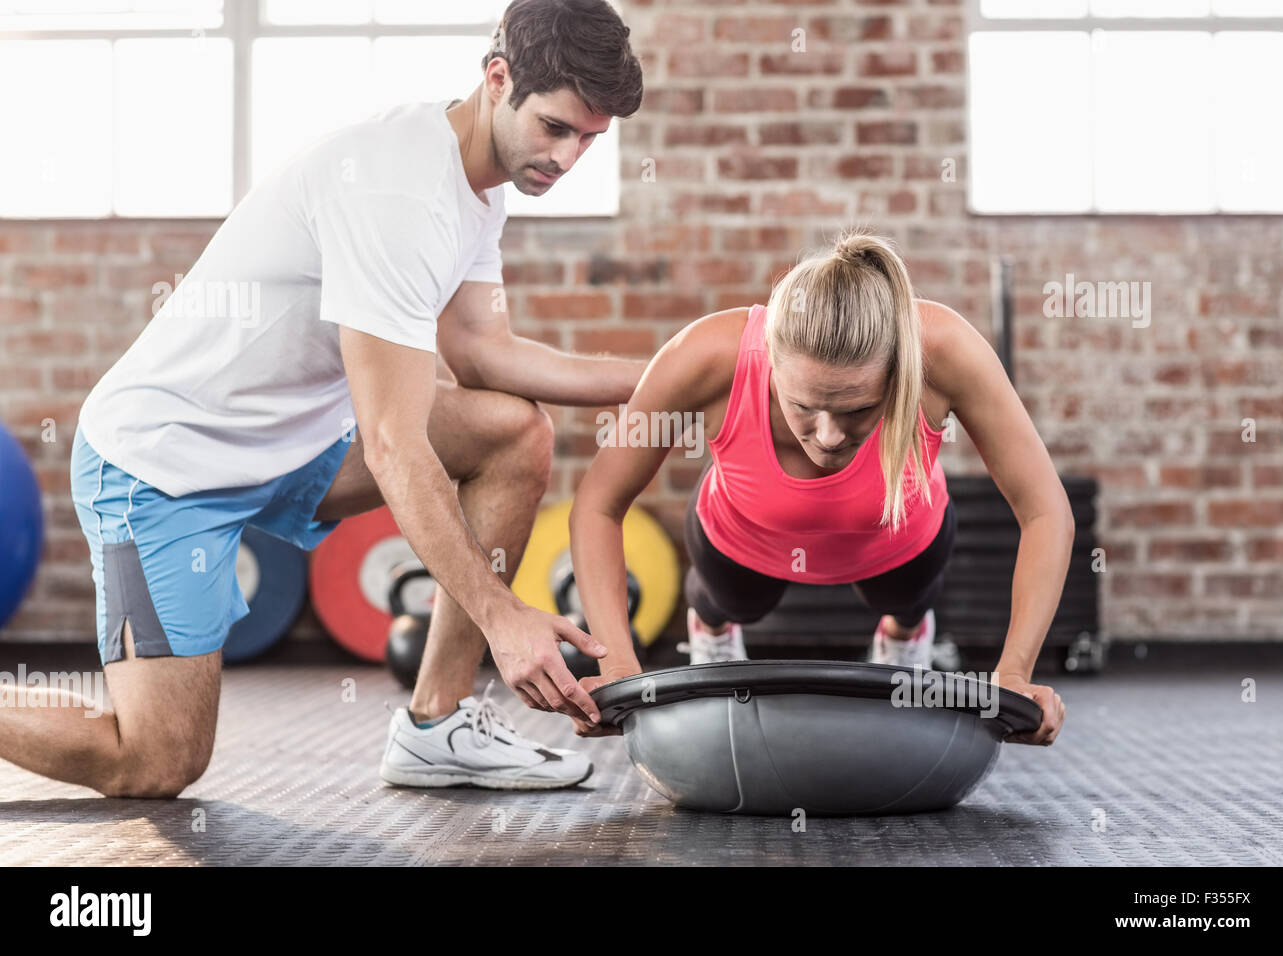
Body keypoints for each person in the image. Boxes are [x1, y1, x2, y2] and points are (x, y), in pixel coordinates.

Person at [0, 0, 645, 798]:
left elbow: (483, 349)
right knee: (157, 761)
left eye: (589, 139)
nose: (568, 156)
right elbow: (395, 445)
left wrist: (667, 378)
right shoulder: (397, 188)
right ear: (497, 77)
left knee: (512, 434)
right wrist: (503, 619)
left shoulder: (481, 183)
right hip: (163, 467)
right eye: (555, 128)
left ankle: (435, 726)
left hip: (295, 444)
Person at [568, 230, 1068, 745]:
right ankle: (712, 629)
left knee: (908, 598)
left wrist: (1013, 674)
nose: (828, 437)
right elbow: (599, 505)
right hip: (744, 531)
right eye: (804, 406)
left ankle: (904, 636)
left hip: (897, 532)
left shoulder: (944, 350)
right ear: (769, 360)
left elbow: (1046, 511)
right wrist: (620, 669)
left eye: (857, 409)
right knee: (732, 600)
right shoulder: (706, 356)